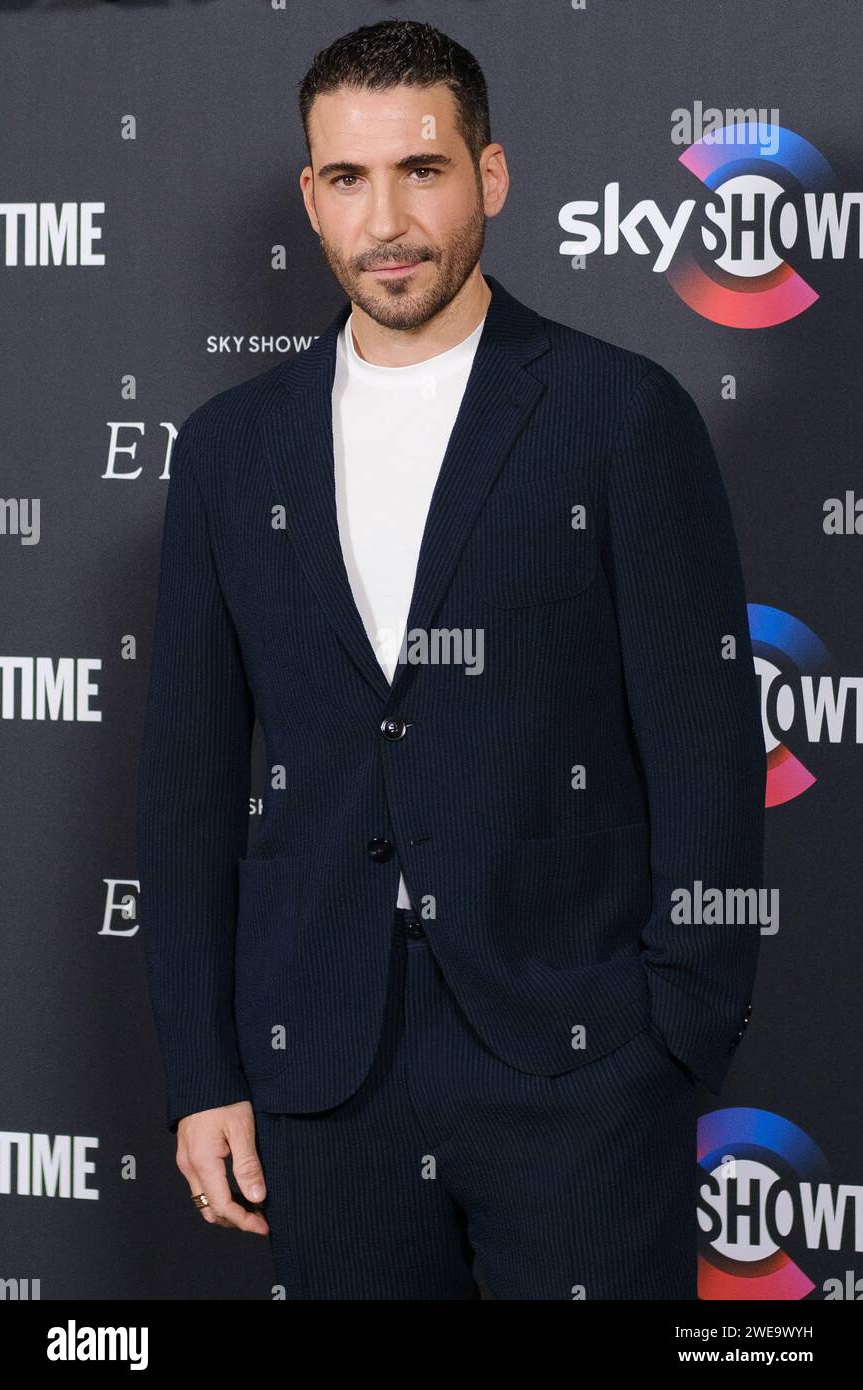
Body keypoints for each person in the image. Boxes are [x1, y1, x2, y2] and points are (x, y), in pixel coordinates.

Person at [136, 18, 765, 1300]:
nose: (388, 219)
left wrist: (669, 1041)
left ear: (488, 175)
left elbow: (705, 747)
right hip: (325, 1076)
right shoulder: (226, 451)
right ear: (310, 199)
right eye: (350, 180)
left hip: (576, 1072)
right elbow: (189, 785)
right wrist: (204, 1073)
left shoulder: (617, 415)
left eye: (421, 170)